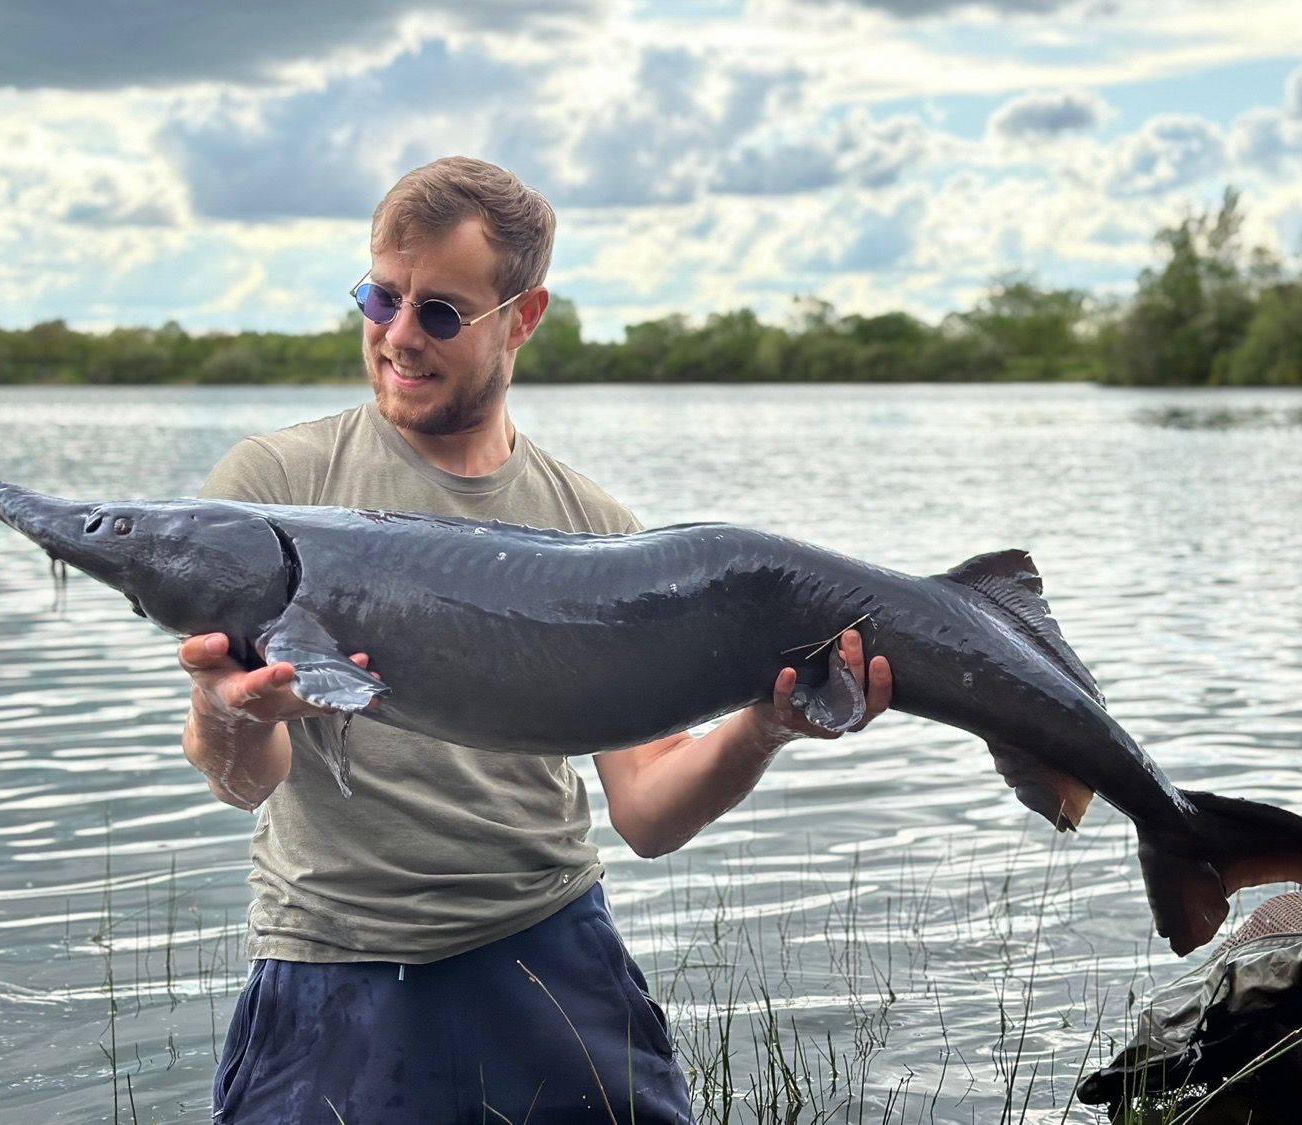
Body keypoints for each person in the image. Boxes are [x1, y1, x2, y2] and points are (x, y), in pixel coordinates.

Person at [177, 156, 894, 1124]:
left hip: (545, 945)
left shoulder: (596, 530)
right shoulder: (272, 491)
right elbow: (243, 780)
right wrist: (228, 716)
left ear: (522, 318)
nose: (397, 337)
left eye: (440, 313)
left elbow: (647, 815)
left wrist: (763, 729)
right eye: (379, 298)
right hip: (330, 962)